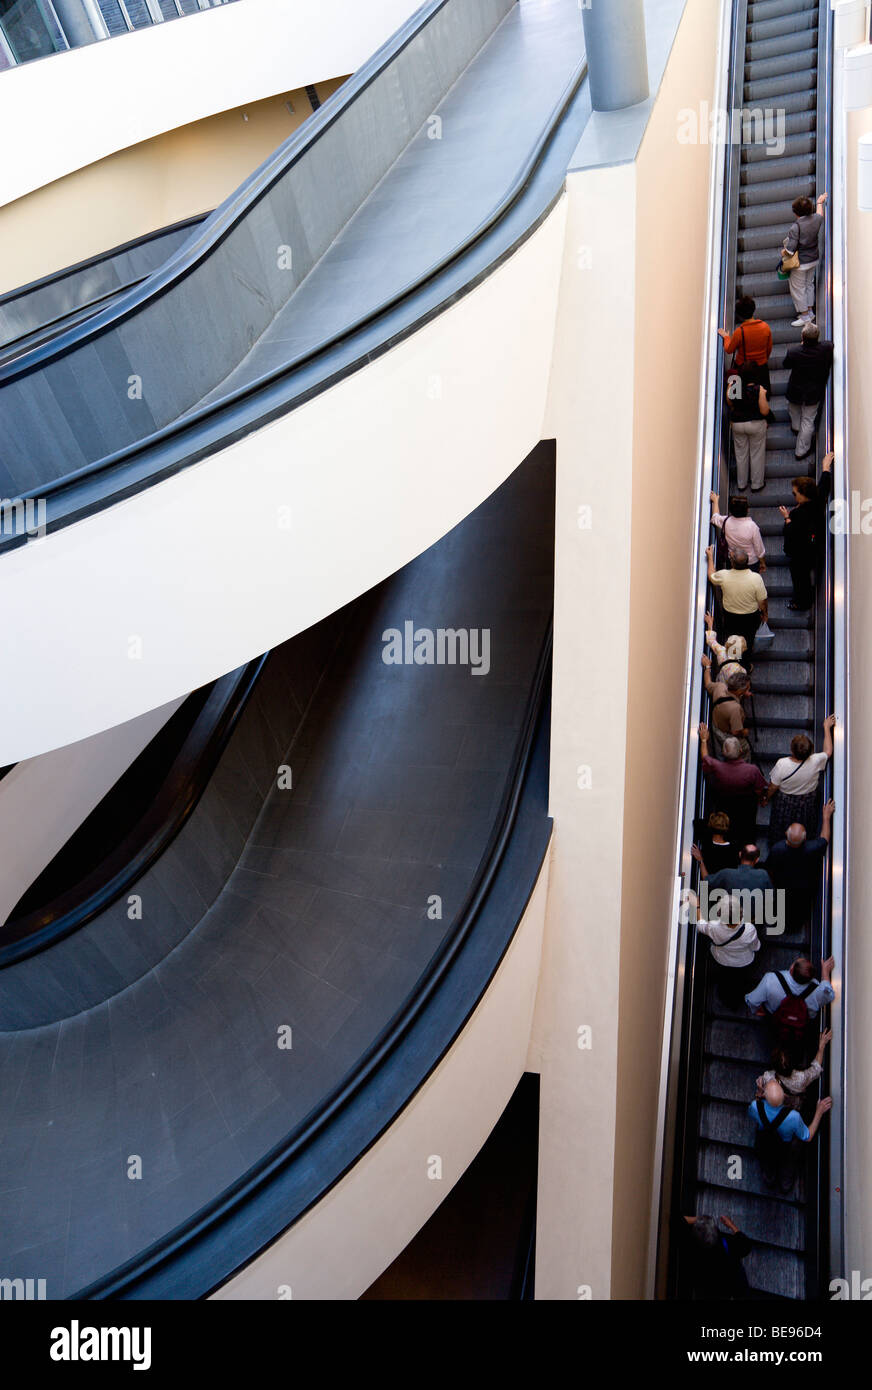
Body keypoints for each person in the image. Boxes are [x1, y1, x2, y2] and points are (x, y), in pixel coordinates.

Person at [748, 1078, 831, 1192]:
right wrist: (819, 1112)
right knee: (788, 1162)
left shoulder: (754, 1106)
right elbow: (808, 1136)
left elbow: (753, 1115)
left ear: (764, 1095)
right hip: (784, 1147)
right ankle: (785, 1183)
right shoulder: (793, 1116)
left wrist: (758, 1095)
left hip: (765, 1143)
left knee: (767, 1161)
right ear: (785, 1097)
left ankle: (769, 1178)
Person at [762, 715, 836, 844]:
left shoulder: (782, 764)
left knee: (781, 822)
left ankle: (778, 842)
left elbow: (773, 786)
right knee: (805, 821)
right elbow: (828, 751)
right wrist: (826, 727)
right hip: (807, 800)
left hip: (785, 800)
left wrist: (766, 798)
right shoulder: (815, 761)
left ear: (792, 750)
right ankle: (801, 840)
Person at [764, 802, 835, 931]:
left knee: (782, 904)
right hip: (804, 886)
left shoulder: (777, 849)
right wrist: (826, 818)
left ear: (786, 834)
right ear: (805, 837)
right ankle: (795, 926)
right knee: (800, 907)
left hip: (783, 884)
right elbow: (824, 838)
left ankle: (780, 923)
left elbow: (769, 868)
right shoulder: (812, 848)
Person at [779, 452, 834, 611]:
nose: (793, 495)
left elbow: (790, 532)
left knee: (800, 579)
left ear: (803, 496)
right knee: (803, 577)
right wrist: (825, 467)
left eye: (795, 494)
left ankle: (801, 603)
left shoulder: (799, 514)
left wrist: (786, 518)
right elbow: (824, 485)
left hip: (801, 555)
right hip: (814, 545)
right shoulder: (818, 498)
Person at [698, 724, 766, 843]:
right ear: (740, 751)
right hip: (746, 806)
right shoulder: (752, 770)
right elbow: (759, 789)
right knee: (747, 828)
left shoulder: (717, 767)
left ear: (724, 754)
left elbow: (705, 757)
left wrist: (704, 740)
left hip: (724, 804)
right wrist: (761, 798)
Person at [695, 891, 760, 1007]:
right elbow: (756, 947)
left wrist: (697, 906)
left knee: (725, 980)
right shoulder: (749, 929)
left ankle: (725, 997)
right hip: (744, 962)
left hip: (722, 960)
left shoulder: (714, 927)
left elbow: (700, 926)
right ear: (740, 912)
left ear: (720, 914)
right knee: (740, 981)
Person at [784, 322, 834, 460]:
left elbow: (785, 364)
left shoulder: (793, 352)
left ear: (802, 337)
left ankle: (795, 427)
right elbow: (829, 345)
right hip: (813, 391)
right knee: (808, 420)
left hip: (795, 389)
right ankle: (801, 450)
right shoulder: (826, 348)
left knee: (794, 410)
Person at [706, 546, 768, 658]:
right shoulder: (756, 578)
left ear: (732, 563)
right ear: (747, 562)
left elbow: (711, 575)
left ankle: (734, 661)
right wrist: (765, 615)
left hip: (731, 617)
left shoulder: (724, 576)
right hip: (750, 617)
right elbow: (762, 601)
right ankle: (746, 662)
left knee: (733, 639)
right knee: (749, 638)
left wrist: (710, 557)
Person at [676, 1214, 752, 1299]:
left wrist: (699, 1220)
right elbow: (746, 1245)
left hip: (707, 1292)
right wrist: (731, 1225)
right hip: (726, 1288)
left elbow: (677, 1220)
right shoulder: (728, 1243)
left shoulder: (691, 1246)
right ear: (715, 1231)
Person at [756, 1028, 832, 1111]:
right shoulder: (801, 1078)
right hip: (793, 1109)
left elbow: (760, 1090)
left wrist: (760, 1092)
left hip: (774, 1110)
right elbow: (816, 1068)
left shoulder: (768, 1078)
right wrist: (822, 1046)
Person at [781, 192, 827, 327]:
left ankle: (805, 316)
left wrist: (782, 251)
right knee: (809, 285)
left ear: (796, 213)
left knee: (798, 289)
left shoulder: (796, 227)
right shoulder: (816, 220)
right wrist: (820, 202)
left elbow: (790, 250)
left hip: (800, 263)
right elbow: (820, 214)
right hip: (813, 259)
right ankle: (810, 311)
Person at [745, 953, 835, 1022]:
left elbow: (753, 1001)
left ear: (791, 969)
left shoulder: (770, 979)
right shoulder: (817, 991)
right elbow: (829, 994)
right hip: (802, 1021)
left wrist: (758, 1010)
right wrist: (825, 971)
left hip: (775, 1016)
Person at [726, 366, 770, 492]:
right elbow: (764, 410)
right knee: (756, 454)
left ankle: (741, 484)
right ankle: (756, 484)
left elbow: (730, 402)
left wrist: (730, 385)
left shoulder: (736, 388)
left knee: (740, 454)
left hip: (737, 425)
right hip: (755, 424)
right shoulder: (758, 389)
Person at [718, 294, 773, 392]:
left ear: (740, 315)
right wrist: (764, 359)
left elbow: (729, 349)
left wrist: (726, 337)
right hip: (761, 367)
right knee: (762, 392)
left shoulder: (739, 332)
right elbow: (769, 348)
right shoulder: (765, 327)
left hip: (744, 368)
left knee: (742, 394)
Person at [701, 656, 752, 761]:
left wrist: (707, 666)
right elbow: (735, 731)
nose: (749, 688)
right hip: (726, 733)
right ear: (739, 692)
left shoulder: (720, 687)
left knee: (720, 750)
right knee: (745, 748)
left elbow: (708, 684)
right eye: (747, 688)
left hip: (715, 727)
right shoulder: (735, 709)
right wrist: (744, 732)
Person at [710, 493, 765, 572]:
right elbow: (759, 549)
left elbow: (715, 517)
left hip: (733, 560)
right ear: (747, 510)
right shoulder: (752, 527)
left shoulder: (726, 522)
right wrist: (762, 563)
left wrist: (715, 501)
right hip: (751, 562)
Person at [692, 811, 740, 875]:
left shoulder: (707, 845)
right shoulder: (733, 849)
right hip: (724, 884)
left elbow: (696, 822)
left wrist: (700, 860)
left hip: (707, 883)